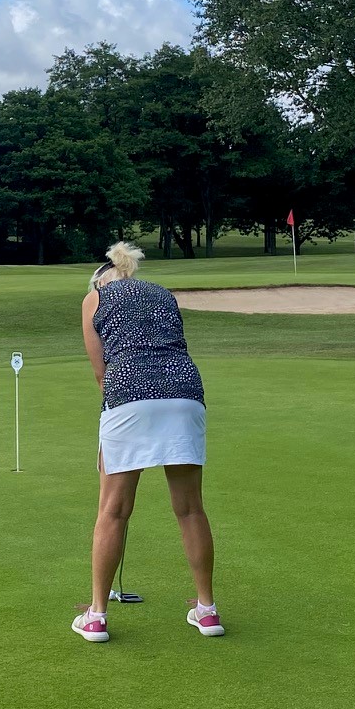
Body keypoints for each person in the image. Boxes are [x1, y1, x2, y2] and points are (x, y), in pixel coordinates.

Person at [72, 241, 221, 643]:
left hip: (128, 395)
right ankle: (206, 611)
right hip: (185, 393)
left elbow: (102, 373)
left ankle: (97, 615)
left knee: (114, 510)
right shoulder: (163, 294)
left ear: (103, 278)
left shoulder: (94, 297)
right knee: (190, 509)